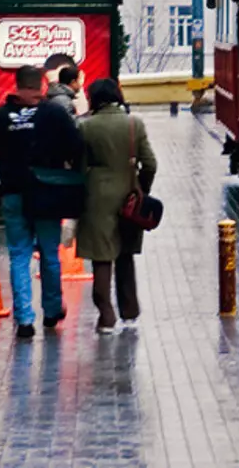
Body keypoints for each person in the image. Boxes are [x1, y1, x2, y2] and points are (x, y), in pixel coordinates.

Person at [0, 64, 83, 338]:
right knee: (50, 254)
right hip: (47, 192)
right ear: (40, 86)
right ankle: (52, 311)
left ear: (16, 86)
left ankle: (24, 319)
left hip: (13, 193)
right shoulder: (53, 113)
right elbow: (76, 145)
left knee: (19, 255)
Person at [78, 78, 158, 331]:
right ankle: (130, 310)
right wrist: (142, 188)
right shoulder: (134, 124)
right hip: (129, 196)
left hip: (96, 197)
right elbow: (151, 163)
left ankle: (106, 316)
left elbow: (79, 166)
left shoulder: (85, 127)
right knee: (125, 253)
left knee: (102, 257)